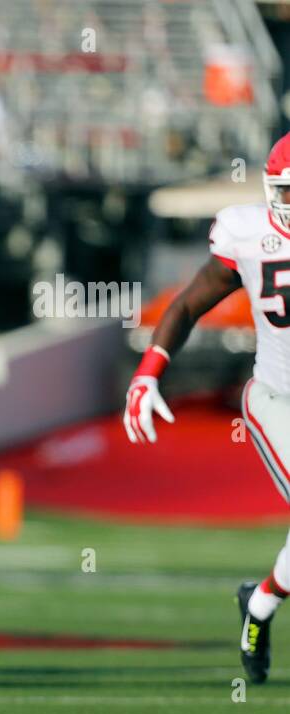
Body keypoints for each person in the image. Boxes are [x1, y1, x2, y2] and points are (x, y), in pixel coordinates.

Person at [124, 130, 290, 685]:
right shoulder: (247, 233)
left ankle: (260, 604)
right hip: (276, 398)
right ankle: (260, 606)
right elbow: (190, 302)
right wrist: (149, 373)